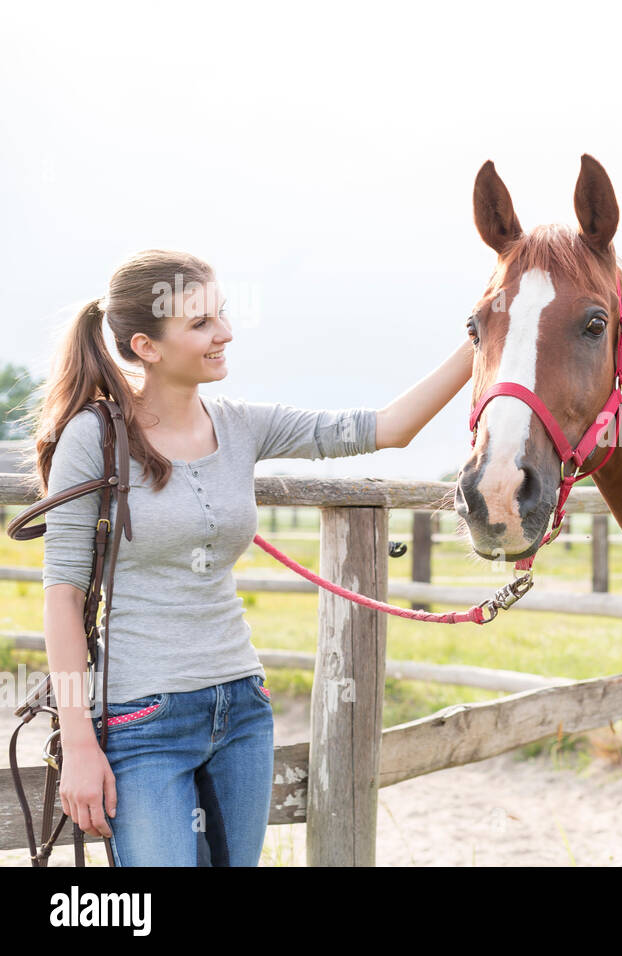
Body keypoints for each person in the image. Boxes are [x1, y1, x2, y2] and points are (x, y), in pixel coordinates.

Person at [31, 249, 473, 866]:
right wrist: (78, 741)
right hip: (141, 722)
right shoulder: (94, 438)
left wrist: (482, 339)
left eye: (223, 314)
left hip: (240, 708)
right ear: (147, 346)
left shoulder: (242, 425)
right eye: (202, 324)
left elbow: (387, 427)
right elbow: (63, 597)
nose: (225, 334)